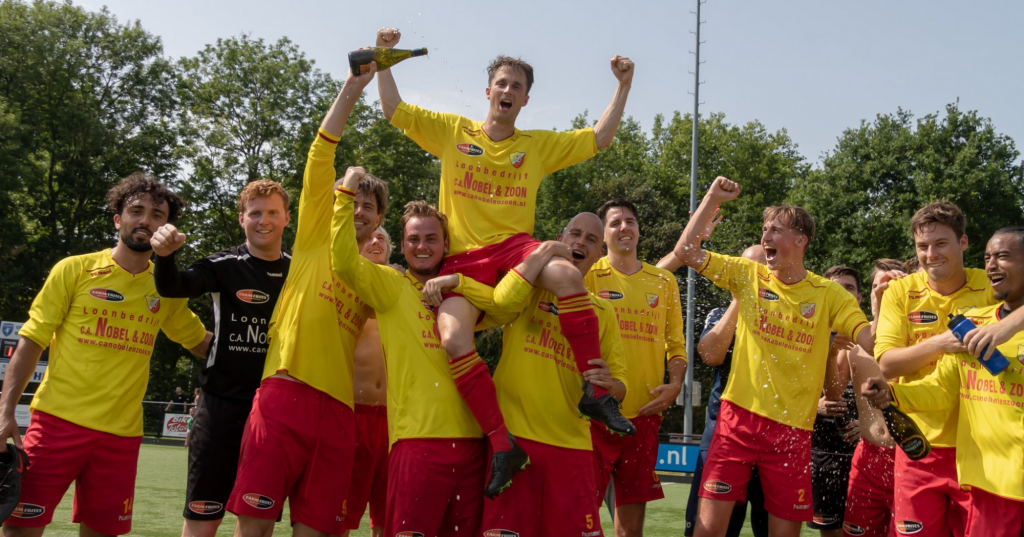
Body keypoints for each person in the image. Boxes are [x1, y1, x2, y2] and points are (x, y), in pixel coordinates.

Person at [373, 26, 637, 493]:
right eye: (503, 82)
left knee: (566, 276)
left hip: (515, 249)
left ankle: (594, 392)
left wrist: (623, 85)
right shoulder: (454, 132)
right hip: (464, 260)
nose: (509, 90)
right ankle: (502, 444)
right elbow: (393, 110)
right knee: (452, 337)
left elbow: (599, 138)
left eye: (518, 85)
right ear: (488, 91)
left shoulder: (535, 146)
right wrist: (385, 55)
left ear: (526, 99)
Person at [0, 173, 211, 536]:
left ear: (167, 226)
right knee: (20, 528)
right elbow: (32, 340)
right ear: (118, 219)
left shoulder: (166, 289)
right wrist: (4, 413)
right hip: (55, 425)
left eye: (157, 215)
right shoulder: (74, 269)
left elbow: (203, 344)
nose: (146, 220)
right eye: (137, 211)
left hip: (121, 437)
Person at [225, 64, 386, 537]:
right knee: (253, 526)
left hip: (340, 415)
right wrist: (353, 86)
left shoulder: (377, 281)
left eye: (370, 206)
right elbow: (321, 153)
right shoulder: (316, 236)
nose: (359, 209)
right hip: (285, 394)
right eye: (353, 198)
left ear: (379, 221)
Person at [332, 168, 531, 536]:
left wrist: (460, 281)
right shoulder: (390, 285)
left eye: (431, 239)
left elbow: (507, 307)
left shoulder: (464, 294)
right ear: (402, 244)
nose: (422, 246)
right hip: (416, 442)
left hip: (474, 444)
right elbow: (343, 261)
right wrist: (345, 196)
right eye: (413, 239)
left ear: (445, 244)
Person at [672, 177, 874, 537]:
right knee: (707, 532)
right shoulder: (749, 275)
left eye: (776, 230)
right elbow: (686, 251)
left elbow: (870, 340)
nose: (766, 236)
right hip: (737, 422)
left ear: (801, 240)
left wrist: (883, 306)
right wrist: (711, 198)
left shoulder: (829, 295)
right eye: (764, 229)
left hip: (792, 431)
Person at [439, 211, 627, 536]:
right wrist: (456, 280)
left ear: (598, 257)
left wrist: (611, 384)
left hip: (573, 448)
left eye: (591, 240)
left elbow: (623, 386)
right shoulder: (528, 288)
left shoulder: (604, 312)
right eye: (575, 234)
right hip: (516, 444)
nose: (580, 242)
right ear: (561, 239)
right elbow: (494, 302)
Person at [150, 178, 293, 537]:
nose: (264, 221)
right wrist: (164, 256)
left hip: (274, 409)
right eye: (255, 213)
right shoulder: (224, 264)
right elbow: (172, 286)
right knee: (203, 518)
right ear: (241, 218)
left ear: (287, 218)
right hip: (221, 406)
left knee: (256, 522)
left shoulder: (300, 271)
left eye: (273, 212)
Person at [874, 202, 1024, 537]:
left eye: (941, 244)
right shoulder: (901, 290)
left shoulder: (990, 285)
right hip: (919, 444)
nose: (931, 254)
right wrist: (942, 343)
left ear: (964, 243)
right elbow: (886, 364)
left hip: (979, 453)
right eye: (922, 247)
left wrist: (1006, 327)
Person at [584, 199, 686, 536]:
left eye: (630, 221)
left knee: (631, 528)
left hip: (643, 416)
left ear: (639, 230)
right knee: (581, 518)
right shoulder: (589, 275)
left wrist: (675, 385)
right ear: (602, 235)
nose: (624, 227)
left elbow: (676, 345)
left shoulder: (663, 282)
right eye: (614, 223)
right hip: (594, 416)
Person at [681, 245, 770, 537]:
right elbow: (710, 355)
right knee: (710, 529)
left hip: (772, 438)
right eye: (744, 269)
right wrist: (739, 299)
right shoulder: (720, 312)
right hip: (722, 435)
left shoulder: (786, 317)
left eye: (759, 269)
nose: (753, 275)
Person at [840, 259, 903, 537]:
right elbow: (829, 389)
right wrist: (831, 352)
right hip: (867, 458)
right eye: (879, 286)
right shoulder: (854, 339)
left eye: (891, 287)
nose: (883, 293)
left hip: (908, 457)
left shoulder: (916, 338)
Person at [340, 225, 392, 537]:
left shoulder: (403, 289)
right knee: (341, 515)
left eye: (382, 238)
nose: (375, 241)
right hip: (353, 413)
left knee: (388, 517)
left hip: (394, 421)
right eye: (369, 237)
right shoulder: (346, 286)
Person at [807, 266, 865, 537]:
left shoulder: (876, 337)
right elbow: (784, 392)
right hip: (821, 454)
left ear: (860, 298)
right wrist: (814, 406)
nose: (842, 293)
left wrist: (872, 425)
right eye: (836, 288)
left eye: (849, 289)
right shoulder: (807, 335)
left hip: (866, 453)